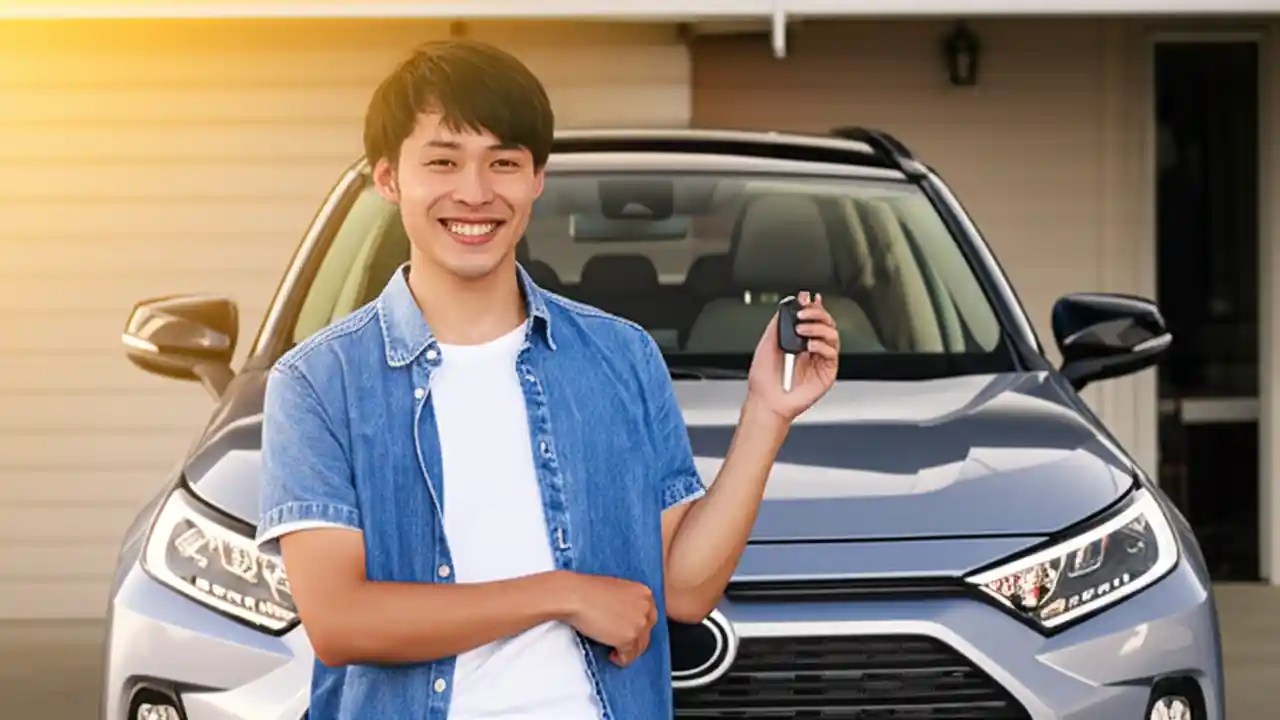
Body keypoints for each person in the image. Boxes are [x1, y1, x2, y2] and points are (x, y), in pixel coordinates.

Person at [255, 39, 840, 720]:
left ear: (536, 178)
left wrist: (767, 415)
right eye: (443, 161)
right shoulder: (318, 383)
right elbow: (341, 621)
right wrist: (561, 592)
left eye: (503, 163)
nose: (475, 193)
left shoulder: (621, 358)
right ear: (389, 179)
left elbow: (682, 591)